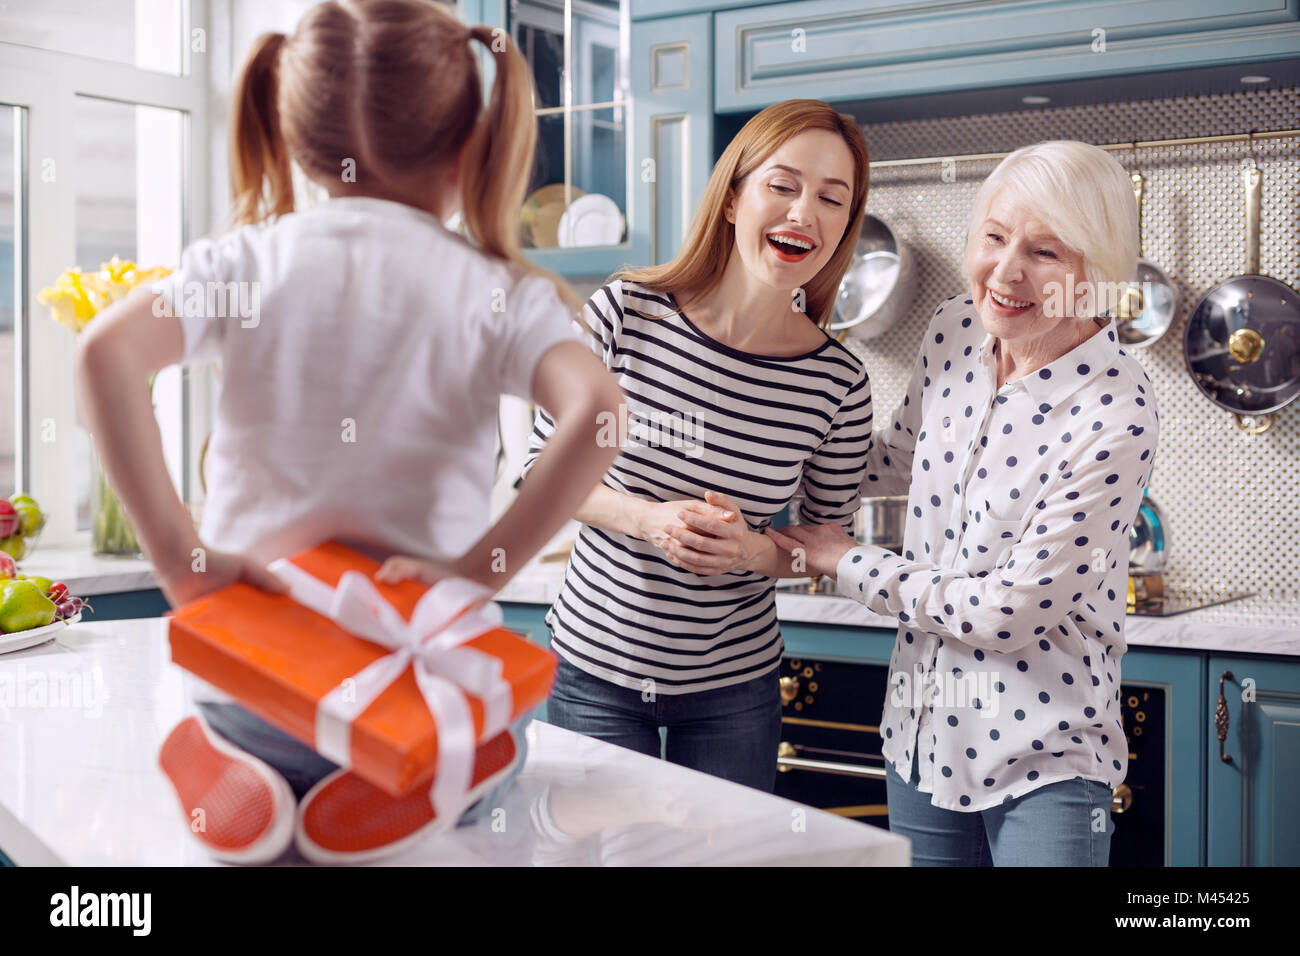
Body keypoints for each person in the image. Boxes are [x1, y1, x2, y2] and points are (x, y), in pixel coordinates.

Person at [74, 0, 621, 864]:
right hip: (400, 699)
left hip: (249, 687)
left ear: (296, 138)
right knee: (502, 745)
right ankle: (403, 789)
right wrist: (476, 572)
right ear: (466, 146)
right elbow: (598, 415)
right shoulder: (496, 293)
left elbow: (103, 353)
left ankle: (234, 766)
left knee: (249, 720)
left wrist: (184, 562)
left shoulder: (248, 262)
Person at [770, 140, 1159, 866]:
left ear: (1095, 271)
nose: (1007, 272)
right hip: (922, 737)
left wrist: (841, 559)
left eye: (1045, 252)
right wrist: (761, 457)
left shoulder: (1116, 411)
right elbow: (893, 457)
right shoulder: (954, 327)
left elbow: (1005, 613)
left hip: (1043, 761)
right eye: (994, 237)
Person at [513, 100, 872, 792]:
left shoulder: (838, 383)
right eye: (783, 185)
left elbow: (821, 545)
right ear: (734, 197)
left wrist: (751, 551)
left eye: (833, 199)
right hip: (596, 670)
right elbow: (538, 474)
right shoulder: (623, 314)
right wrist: (649, 521)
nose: (805, 214)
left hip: (734, 694)